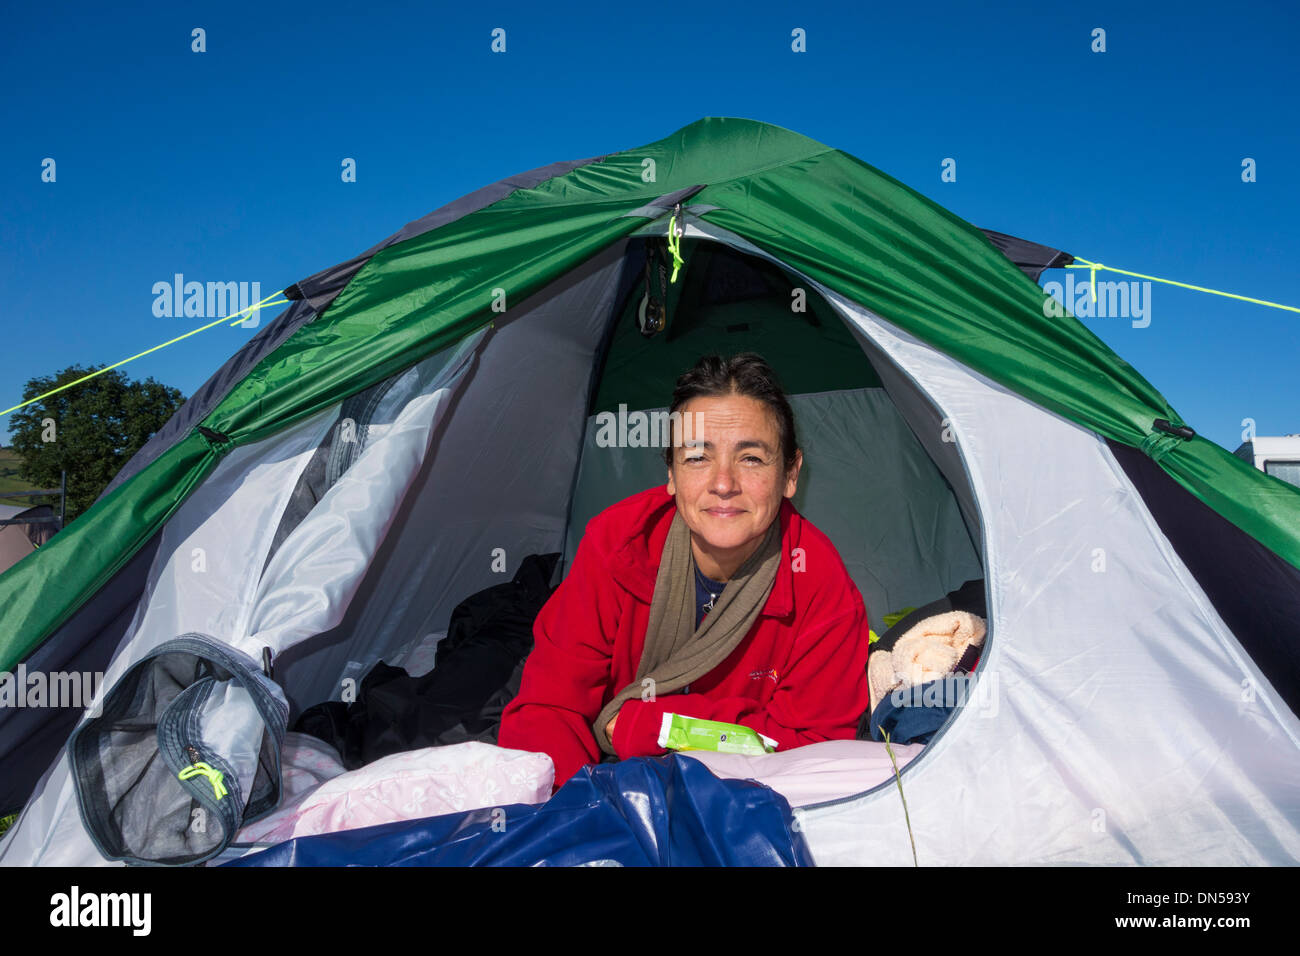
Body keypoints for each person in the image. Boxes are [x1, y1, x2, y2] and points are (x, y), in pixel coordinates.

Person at [498, 352, 871, 789]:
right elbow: (549, 709)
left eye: (751, 458)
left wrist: (649, 725)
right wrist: (578, 817)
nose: (724, 483)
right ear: (670, 474)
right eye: (697, 457)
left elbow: (813, 752)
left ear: (790, 475)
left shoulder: (819, 585)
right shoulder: (618, 545)